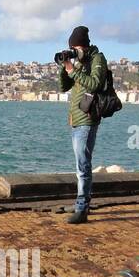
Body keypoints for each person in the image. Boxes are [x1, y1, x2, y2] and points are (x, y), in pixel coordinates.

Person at [58, 25, 108, 224]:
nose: (74, 51)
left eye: (76, 48)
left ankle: (81, 209)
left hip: (87, 118)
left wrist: (74, 69)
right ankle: (84, 203)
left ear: (84, 47)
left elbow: (95, 83)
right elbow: (63, 87)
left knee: (82, 166)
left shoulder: (97, 59)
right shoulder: (77, 63)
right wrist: (66, 68)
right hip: (75, 119)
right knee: (81, 164)